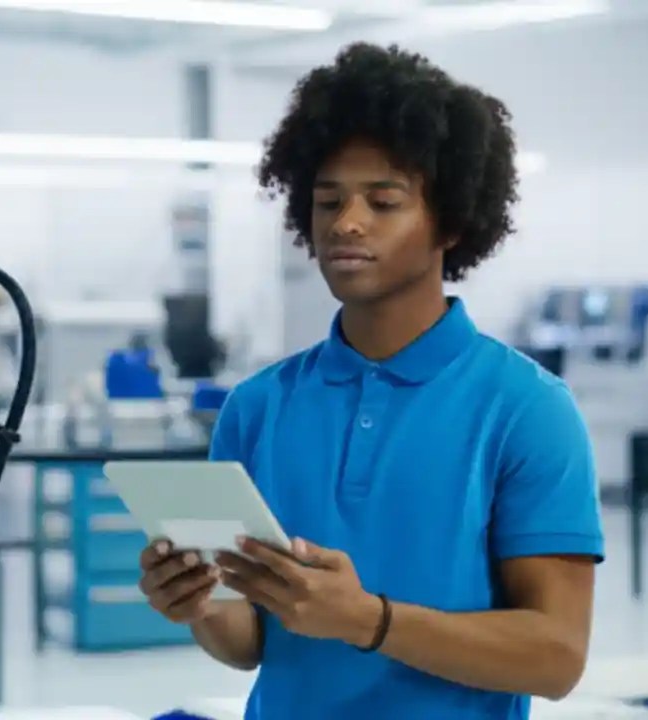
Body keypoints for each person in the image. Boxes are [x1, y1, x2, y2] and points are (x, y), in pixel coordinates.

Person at [137, 42, 603, 719]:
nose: (346, 223)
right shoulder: (258, 407)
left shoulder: (527, 410)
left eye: (383, 202)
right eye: (328, 203)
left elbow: (557, 656)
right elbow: (251, 643)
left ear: (451, 220)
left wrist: (368, 620)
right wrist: (201, 604)